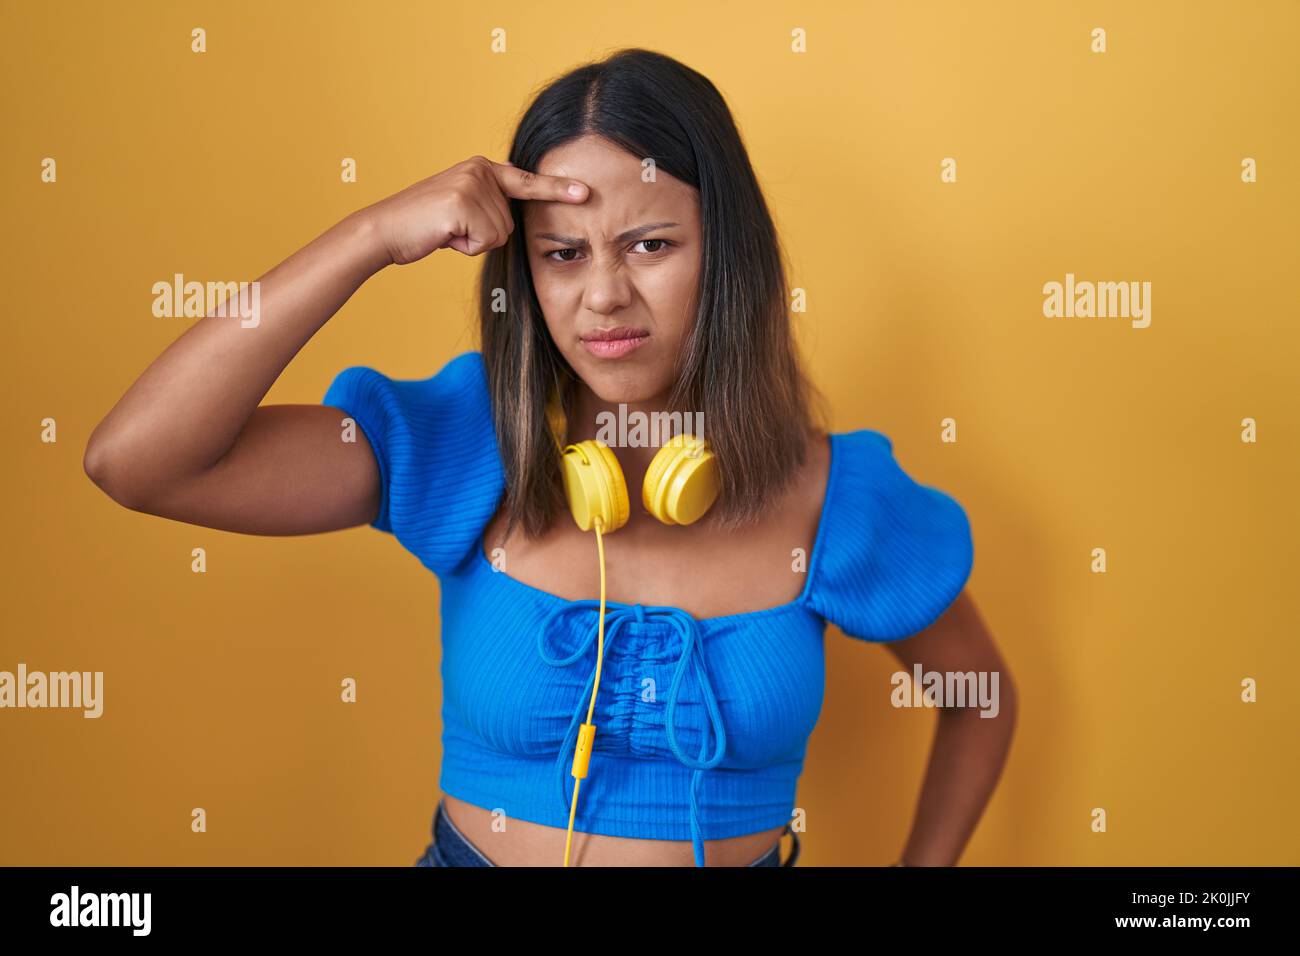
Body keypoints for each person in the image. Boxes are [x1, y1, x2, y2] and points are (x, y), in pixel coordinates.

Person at [84, 47, 1015, 867]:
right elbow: (139, 461)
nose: (602, 296)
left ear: (726, 253)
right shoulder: (469, 440)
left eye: (650, 245)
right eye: (562, 254)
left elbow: (980, 698)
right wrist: (370, 236)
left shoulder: (839, 499)